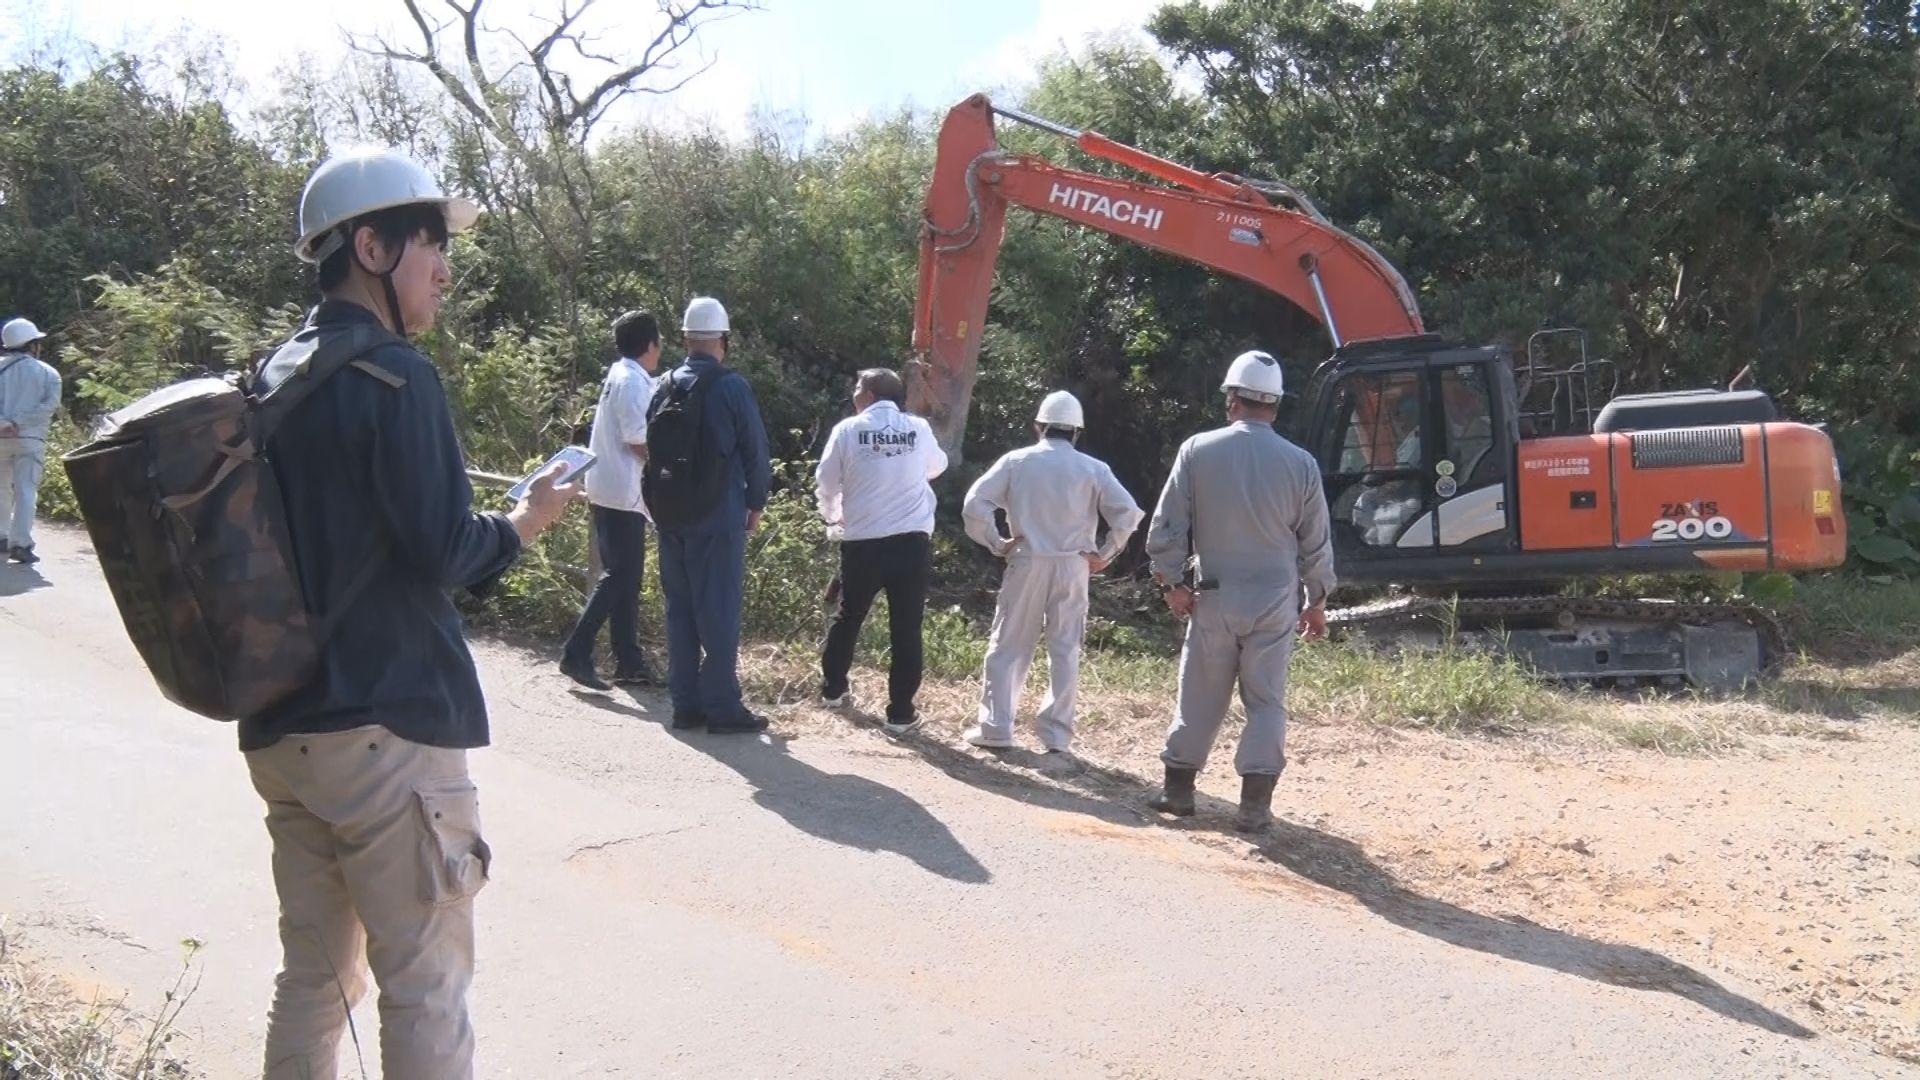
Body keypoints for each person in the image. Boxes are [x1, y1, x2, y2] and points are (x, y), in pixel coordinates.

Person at [244, 147, 576, 1079]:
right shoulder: (396, 377)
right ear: (371, 247)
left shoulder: (272, 379)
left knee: (315, 979)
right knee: (425, 985)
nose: (445, 270)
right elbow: (447, 550)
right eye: (433, 245)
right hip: (387, 728)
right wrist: (524, 522)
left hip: (281, 727)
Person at [1144, 350, 1335, 832]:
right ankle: (1253, 807)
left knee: (1199, 695)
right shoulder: (1302, 464)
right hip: (1275, 600)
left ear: (1232, 400)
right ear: (1276, 404)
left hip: (1214, 595)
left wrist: (1172, 584)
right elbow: (1315, 541)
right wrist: (1316, 601)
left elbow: (1168, 526)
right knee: (1266, 701)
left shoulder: (1197, 450)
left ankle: (1178, 792)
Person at [961, 390, 1141, 753]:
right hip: (1074, 564)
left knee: (1009, 644)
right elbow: (1127, 513)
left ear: (1038, 427)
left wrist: (998, 542)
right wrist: (1105, 553)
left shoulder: (1016, 461)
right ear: (1077, 432)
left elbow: (974, 505)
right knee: (1065, 648)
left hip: (1027, 558)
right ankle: (1056, 737)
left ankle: (996, 729)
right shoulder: (1094, 469)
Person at [649, 296, 772, 733]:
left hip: (669, 512)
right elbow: (755, 450)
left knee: (680, 610)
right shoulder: (731, 387)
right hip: (718, 516)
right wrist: (756, 502)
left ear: (685, 338)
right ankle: (722, 708)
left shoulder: (664, 385)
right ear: (724, 340)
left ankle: (686, 706)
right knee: (718, 612)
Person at [815, 367, 948, 732]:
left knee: (849, 615)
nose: (854, 392)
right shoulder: (918, 428)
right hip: (911, 543)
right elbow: (937, 466)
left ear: (870, 395)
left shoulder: (848, 430)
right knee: (906, 626)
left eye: (858, 386)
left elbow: (826, 481)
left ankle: (833, 690)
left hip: (863, 542)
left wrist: (834, 518)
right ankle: (901, 713)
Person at [560, 310, 664, 691]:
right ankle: (577, 651)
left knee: (625, 577)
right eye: (659, 342)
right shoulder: (632, 381)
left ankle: (629, 661)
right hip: (621, 490)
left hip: (608, 486)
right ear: (650, 344)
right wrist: (668, 470)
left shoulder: (621, 374)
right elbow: (637, 440)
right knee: (620, 575)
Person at [0, 317, 62, 565]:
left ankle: (1, 536)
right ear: (31, 345)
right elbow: (49, 405)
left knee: (0, 489)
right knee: (26, 491)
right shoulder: (48, 373)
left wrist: (4, 423)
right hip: (30, 439)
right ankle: (21, 544)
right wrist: (18, 423)